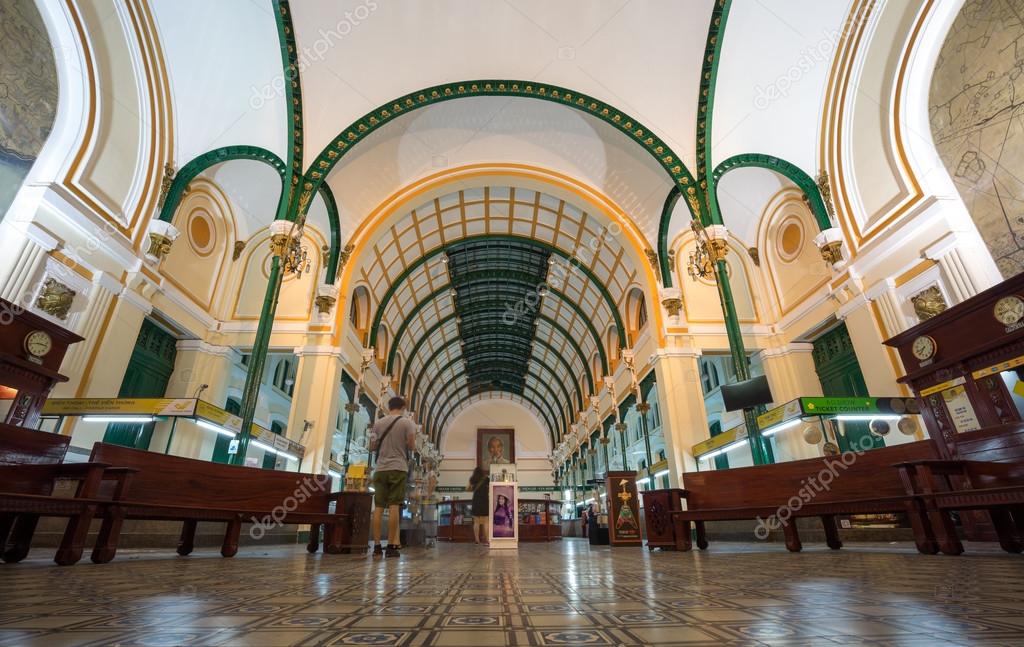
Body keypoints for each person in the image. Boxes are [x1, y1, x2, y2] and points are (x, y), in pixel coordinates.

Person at [368, 395, 417, 558]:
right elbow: (411, 446)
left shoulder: (378, 423)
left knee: (379, 507)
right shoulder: (407, 423)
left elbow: (372, 447)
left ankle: (376, 546)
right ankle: (390, 546)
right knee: (394, 506)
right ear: (403, 407)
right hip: (398, 468)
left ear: (389, 407)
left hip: (380, 469)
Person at [467, 467, 490, 544]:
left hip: (476, 501)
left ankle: (477, 540)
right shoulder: (486, 478)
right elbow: (490, 488)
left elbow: (467, 488)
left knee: (476, 522)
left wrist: (473, 489)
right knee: (486, 521)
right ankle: (487, 540)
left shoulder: (472, 478)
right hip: (484, 501)